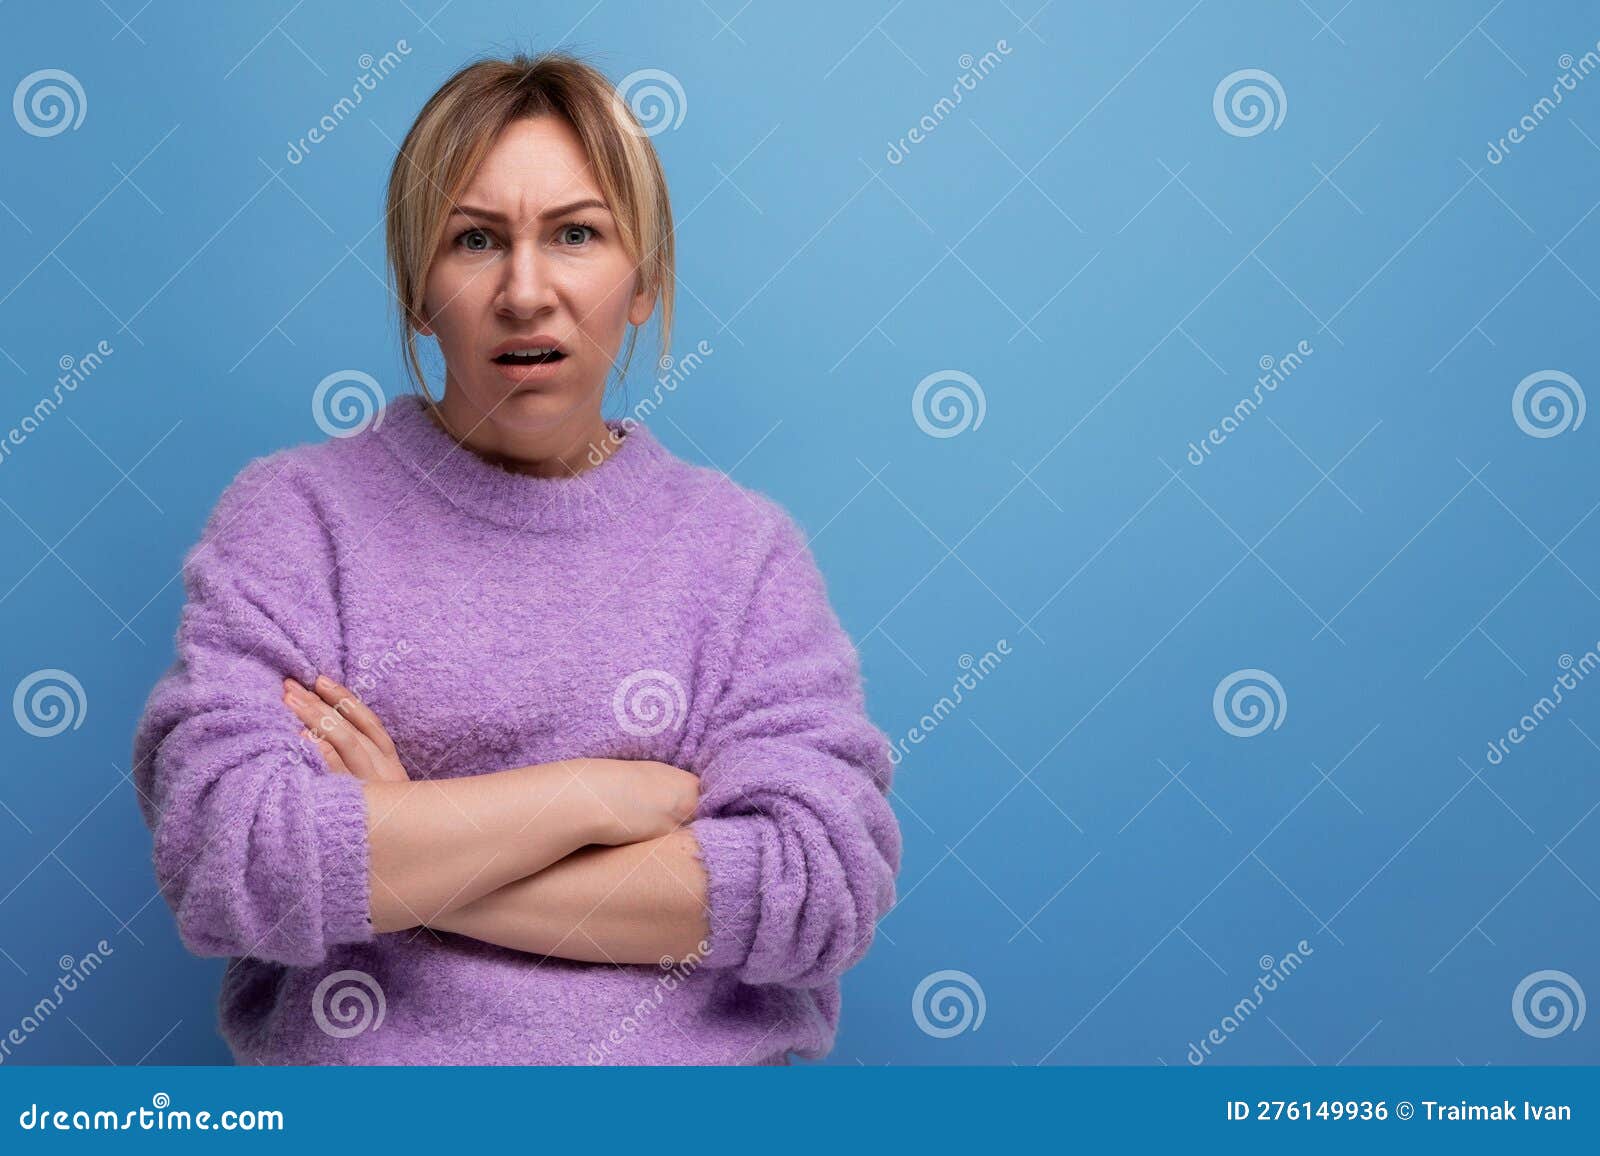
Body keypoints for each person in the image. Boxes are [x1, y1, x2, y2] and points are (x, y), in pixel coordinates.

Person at [130, 50, 901, 1066]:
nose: (525, 291)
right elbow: (232, 856)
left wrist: (399, 840)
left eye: (576, 234)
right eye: (475, 240)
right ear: (417, 289)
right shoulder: (295, 521)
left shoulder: (741, 553)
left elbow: (816, 885)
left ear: (644, 279)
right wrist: (587, 798)